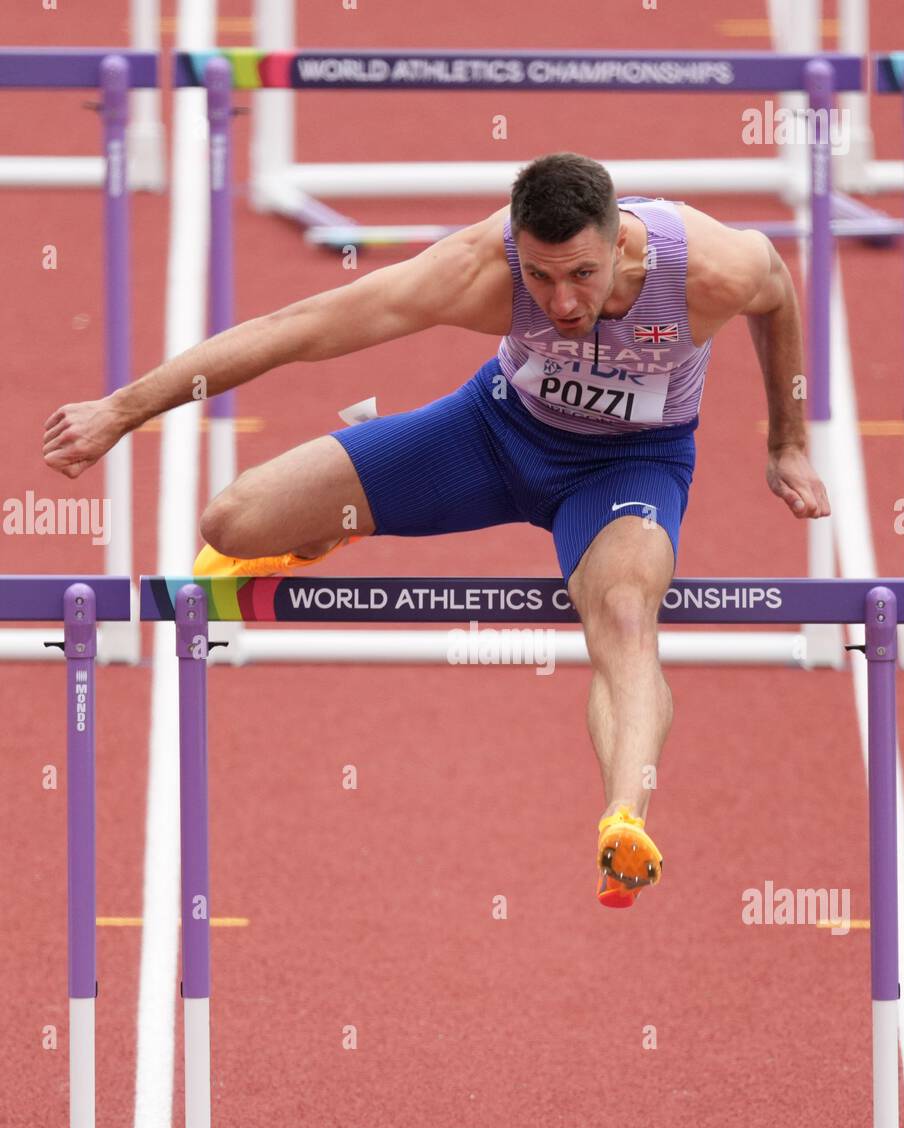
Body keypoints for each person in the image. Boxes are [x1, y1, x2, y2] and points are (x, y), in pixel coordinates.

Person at [42, 151, 830, 909]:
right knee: (234, 521)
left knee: (624, 616)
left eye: (582, 276)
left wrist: (786, 440)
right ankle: (330, 527)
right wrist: (121, 410)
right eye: (541, 276)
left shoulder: (708, 265)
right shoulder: (477, 269)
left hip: (627, 468)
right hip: (493, 432)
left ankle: (624, 822)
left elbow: (778, 295)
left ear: (620, 241)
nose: (560, 302)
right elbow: (299, 326)